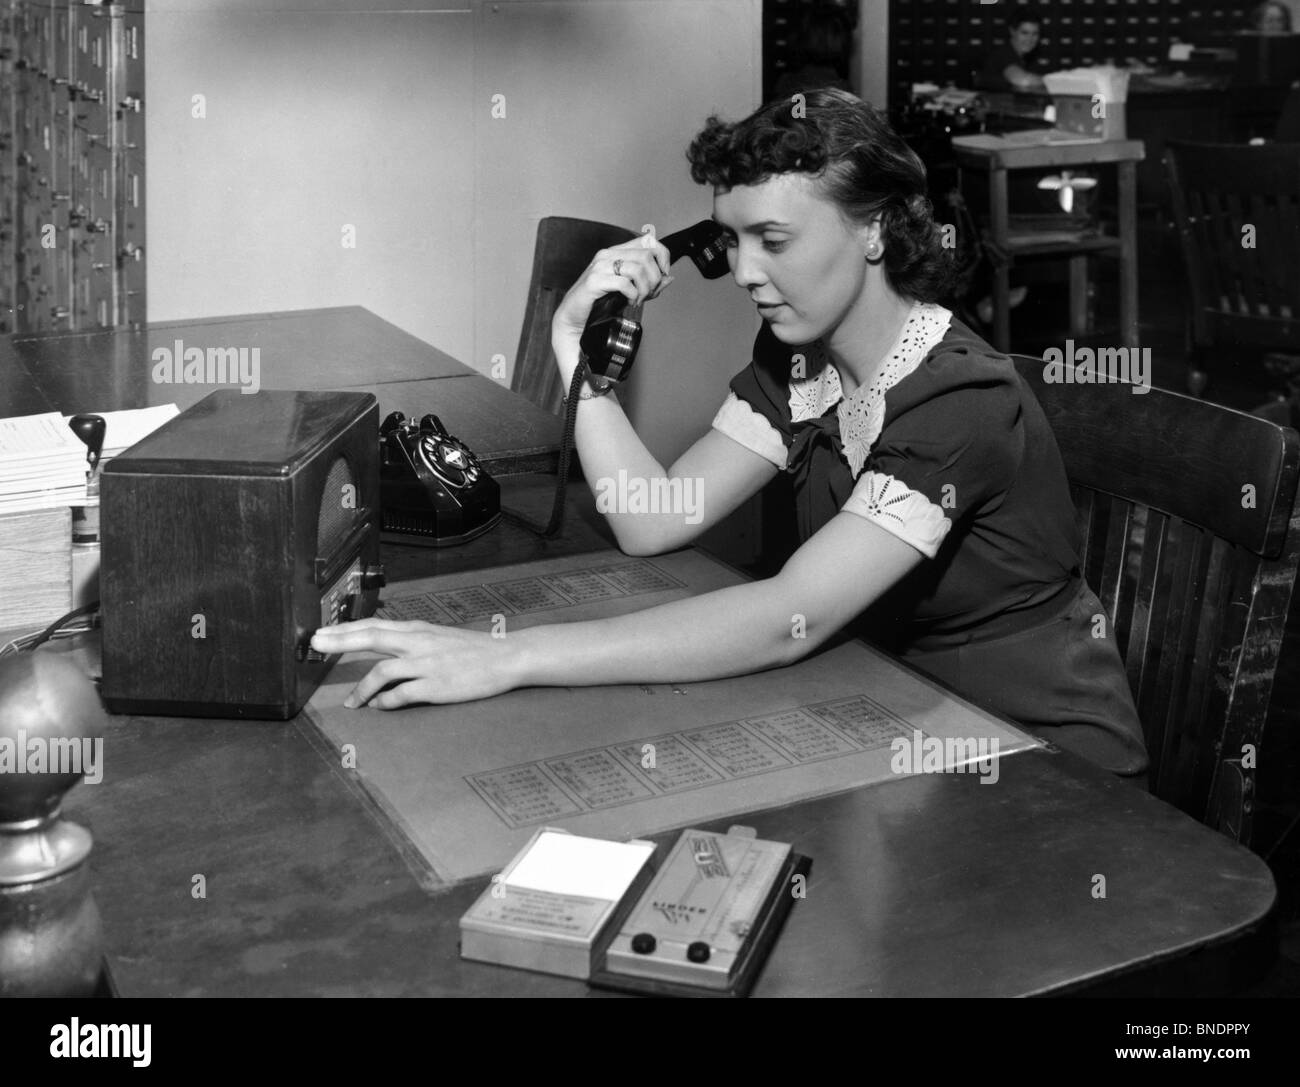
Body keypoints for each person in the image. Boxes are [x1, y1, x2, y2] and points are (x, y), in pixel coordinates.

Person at [311, 89, 1148, 779]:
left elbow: (791, 616)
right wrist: (577, 348)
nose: (745, 272)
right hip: (893, 711)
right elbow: (652, 516)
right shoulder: (801, 362)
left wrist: (507, 656)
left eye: (773, 240)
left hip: (1043, 760)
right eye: (732, 239)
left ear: (874, 229)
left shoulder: (958, 401)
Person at [979, 10, 1047, 92]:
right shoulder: (1003, 54)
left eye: (1035, 34)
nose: (1030, 39)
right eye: (1024, 33)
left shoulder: (1026, 58)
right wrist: (1053, 81)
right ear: (1012, 31)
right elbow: (1022, 80)